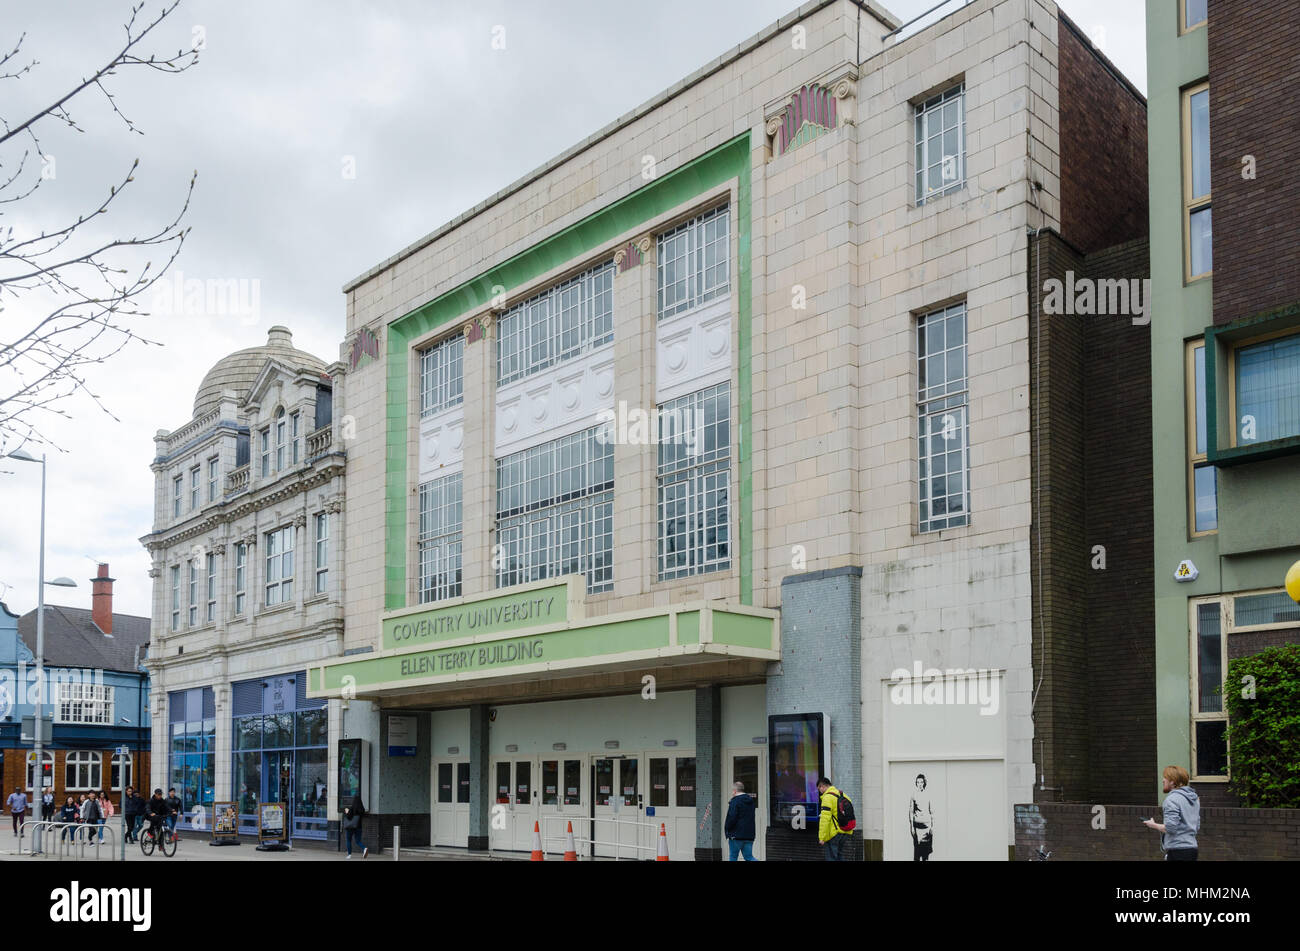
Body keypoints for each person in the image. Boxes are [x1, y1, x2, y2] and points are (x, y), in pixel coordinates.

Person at [1144, 765, 1200, 861]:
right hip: (1192, 849)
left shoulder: (1172, 799)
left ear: (1172, 782)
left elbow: (1170, 828)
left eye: (1165, 778)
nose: (1163, 780)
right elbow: (1196, 826)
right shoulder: (1194, 799)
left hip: (1178, 851)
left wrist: (1153, 825)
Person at [816, 776, 853, 861]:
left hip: (834, 833)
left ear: (822, 786)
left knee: (831, 858)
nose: (819, 791)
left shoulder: (827, 798)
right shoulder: (843, 795)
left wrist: (822, 837)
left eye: (819, 788)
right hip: (845, 831)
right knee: (840, 856)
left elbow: (825, 819)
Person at [724, 780, 758, 861]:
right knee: (749, 857)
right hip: (749, 835)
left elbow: (731, 818)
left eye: (732, 791)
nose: (732, 793)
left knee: (733, 857)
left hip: (736, 835)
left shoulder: (735, 801)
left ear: (735, 791)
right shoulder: (751, 801)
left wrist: (727, 829)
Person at [909, 773, 935, 861]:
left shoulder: (928, 795)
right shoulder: (913, 795)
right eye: (918, 782)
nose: (920, 784)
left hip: (927, 828)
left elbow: (931, 811)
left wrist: (932, 827)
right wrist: (912, 827)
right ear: (916, 783)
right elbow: (911, 811)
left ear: (924, 783)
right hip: (917, 827)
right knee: (917, 853)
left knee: (925, 854)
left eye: (921, 782)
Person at [342, 794, 367, 858]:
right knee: (358, 841)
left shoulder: (352, 808)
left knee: (348, 840)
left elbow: (349, 817)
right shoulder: (362, 809)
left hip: (350, 827)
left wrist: (347, 812)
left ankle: (349, 855)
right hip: (359, 827)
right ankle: (364, 848)